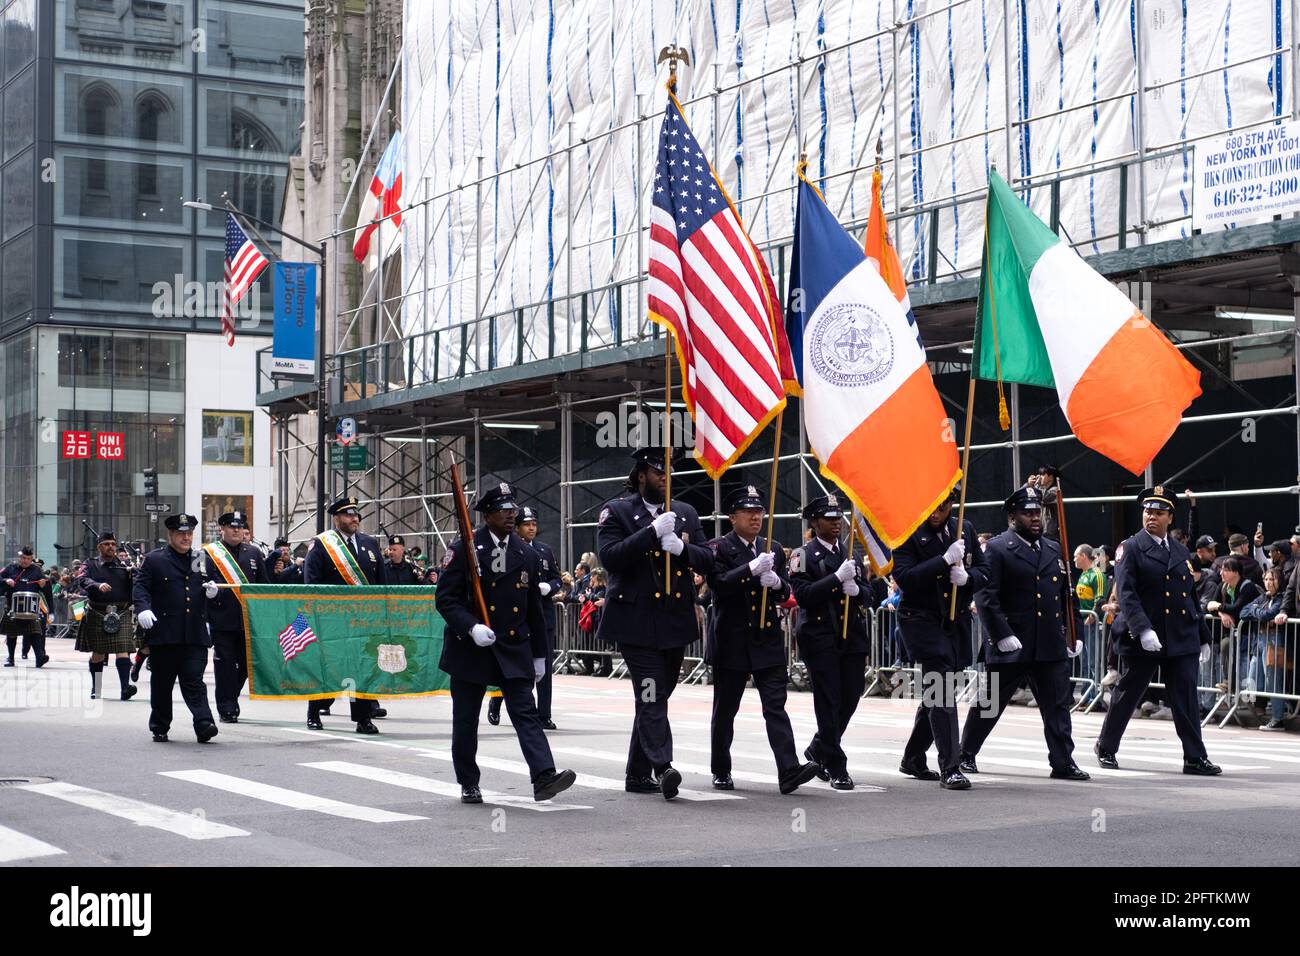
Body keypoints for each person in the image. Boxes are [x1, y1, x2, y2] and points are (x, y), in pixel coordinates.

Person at [434, 481, 576, 803]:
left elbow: (532, 609)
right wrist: (471, 627)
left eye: (513, 509)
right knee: (467, 719)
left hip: (512, 645)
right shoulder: (465, 549)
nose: (511, 515)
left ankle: (543, 777)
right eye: (503, 510)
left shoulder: (526, 552)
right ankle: (469, 781)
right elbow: (445, 599)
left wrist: (540, 654)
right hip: (472, 646)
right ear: (487, 515)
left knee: (526, 713)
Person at [596, 447, 713, 800]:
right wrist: (649, 533)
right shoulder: (616, 511)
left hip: (674, 621)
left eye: (669, 471)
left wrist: (680, 548)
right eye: (657, 471)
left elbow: (709, 559)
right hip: (635, 622)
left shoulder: (686, 512)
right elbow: (610, 558)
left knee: (655, 697)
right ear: (641, 475)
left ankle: (636, 774)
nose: (665, 477)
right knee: (650, 694)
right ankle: (664, 766)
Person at [958, 487, 1090, 780]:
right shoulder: (997, 548)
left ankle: (1062, 761)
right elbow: (986, 596)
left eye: (1037, 512)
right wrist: (1001, 633)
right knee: (989, 704)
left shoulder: (1055, 548)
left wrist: (1075, 633)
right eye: (1027, 513)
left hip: (1048, 643)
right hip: (1012, 642)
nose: (1034, 518)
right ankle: (965, 753)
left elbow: (1068, 597)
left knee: (1057, 705)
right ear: (1012, 516)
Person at [1094, 488, 1221, 774]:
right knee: (1129, 693)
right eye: (1148, 511)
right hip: (1145, 635)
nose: (1151, 516)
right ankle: (1106, 746)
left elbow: (1187, 595)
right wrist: (1142, 629)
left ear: (1170, 518)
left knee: (1185, 695)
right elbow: (1126, 594)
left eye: (1158, 512)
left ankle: (1194, 757)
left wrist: (1202, 636)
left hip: (1180, 635)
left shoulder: (1178, 549)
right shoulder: (1131, 547)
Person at [706, 485, 820, 794]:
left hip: (766, 638)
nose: (756, 517)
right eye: (749, 512)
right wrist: (751, 569)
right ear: (733, 517)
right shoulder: (718, 548)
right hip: (732, 638)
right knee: (726, 709)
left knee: (775, 705)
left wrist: (778, 584)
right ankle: (721, 768)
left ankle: (788, 769)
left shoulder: (773, 546)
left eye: (759, 512)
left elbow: (785, 593)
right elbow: (719, 585)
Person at [892, 486, 988, 790]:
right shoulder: (907, 531)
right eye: (931, 506)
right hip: (921, 619)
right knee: (943, 688)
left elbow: (985, 571)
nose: (936, 513)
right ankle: (951, 766)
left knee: (939, 691)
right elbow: (905, 578)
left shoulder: (966, 528)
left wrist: (969, 578)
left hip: (954, 620)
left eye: (943, 507)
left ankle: (913, 757)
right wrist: (944, 561)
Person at [788, 493, 872, 791]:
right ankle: (836, 765)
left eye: (839, 518)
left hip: (851, 636)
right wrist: (836, 578)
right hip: (819, 635)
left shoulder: (848, 552)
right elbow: (804, 595)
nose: (836, 523)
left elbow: (868, 595)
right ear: (815, 521)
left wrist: (857, 589)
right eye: (829, 518)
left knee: (851, 696)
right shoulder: (803, 554)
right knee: (828, 700)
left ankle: (819, 747)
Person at [303, 495, 388, 733]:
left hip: (364, 620)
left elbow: (381, 582)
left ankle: (362, 719)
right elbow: (312, 582)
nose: (354, 518)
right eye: (348, 514)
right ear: (336, 518)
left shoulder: (369, 544)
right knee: (326, 666)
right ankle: (314, 712)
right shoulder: (322, 544)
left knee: (362, 667)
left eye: (356, 514)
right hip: (333, 620)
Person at [133, 514, 219, 743]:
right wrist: (142, 609)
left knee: (194, 680)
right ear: (170, 535)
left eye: (189, 533)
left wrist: (213, 592)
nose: (186, 538)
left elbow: (207, 583)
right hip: (165, 633)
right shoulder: (155, 560)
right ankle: (159, 725)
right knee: (163, 683)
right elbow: (140, 587)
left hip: (194, 632)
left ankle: (204, 723)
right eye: (181, 534)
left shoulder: (199, 557)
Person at [489, 506, 563, 729]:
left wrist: (548, 587)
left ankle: (544, 714)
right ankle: (497, 700)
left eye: (534, 524)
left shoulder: (544, 550)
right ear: (517, 528)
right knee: (513, 666)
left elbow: (557, 578)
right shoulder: (508, 550)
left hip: (543, 616)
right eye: (527, 525)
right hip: (519, 617)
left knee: (544, 668)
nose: (531, 528)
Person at [202, 511, 268, 723]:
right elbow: (200, 584)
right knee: (225, 665)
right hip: (222, 618)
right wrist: (212, 594)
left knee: (246, 665)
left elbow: (263, 586)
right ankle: (226, 706)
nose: (237, 530)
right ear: (222, 529)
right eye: (232, 527)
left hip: (248, 620)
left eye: (240, 527)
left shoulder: (254, 552)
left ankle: (231, 697)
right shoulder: (208, 554)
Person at [72, 531, 137, 699]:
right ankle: (97, 688)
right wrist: (97, 585)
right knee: (98, 653)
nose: (111, 547)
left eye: (113, 544)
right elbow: (82, 579)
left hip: (121, 612)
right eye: (107, 544)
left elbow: (136, 586)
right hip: (98, 612)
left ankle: (124, 688)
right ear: (99, 546)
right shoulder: (90, 564)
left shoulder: (124, 565)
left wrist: (135, 574)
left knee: (123, 650)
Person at [1241, 567, 1290, 731]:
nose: (1269, 583)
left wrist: (1258, 612)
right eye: (1267, 579)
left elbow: (1268, 615)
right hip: (1259, 641)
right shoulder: (1263, 597)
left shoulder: (1282, 598)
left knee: (1273, 680)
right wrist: (1259, 611)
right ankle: (1263, 712)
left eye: (1272, 579)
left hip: (1274, 641)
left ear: (1279, 581)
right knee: (1253, 681)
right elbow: (1243, 612)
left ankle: (1278, 718)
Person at [1204, 556, 1261, 693]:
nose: (1221, 573)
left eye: (1225, 570)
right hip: (1232, 633)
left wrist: (1217, 606)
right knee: (1225, 645)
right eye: (1221, 570)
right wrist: (1222, 613)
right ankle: (1228, 683)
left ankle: (1238, 692)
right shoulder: (1223, 586)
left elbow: (1236, 608)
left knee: (1244, 668)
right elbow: (1208, 606)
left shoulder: (1247, 587)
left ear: (1235, 572)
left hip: (1250, 634)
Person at [2, 547, 51, 669]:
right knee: (12, 633)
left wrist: (43, 584)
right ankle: (11, 658)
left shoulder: (37, 570)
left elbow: (46, 588)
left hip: (31, 608)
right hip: (13, 605)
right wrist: (6, 580)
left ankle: (39, 658)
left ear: (31, 559)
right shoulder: (11, 568)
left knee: (35, 632)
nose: (25, 561)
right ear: (20, 557)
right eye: (23, 558)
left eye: (28, 559)